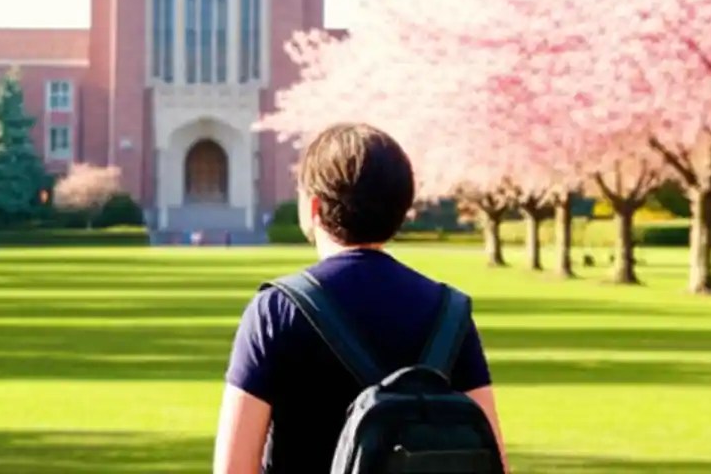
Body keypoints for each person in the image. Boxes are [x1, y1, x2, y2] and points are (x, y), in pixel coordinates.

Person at [213, 123, 508, 474]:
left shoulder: (277, 312)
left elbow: (233, 467)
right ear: (401, 209)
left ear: (315, 207)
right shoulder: (450, 311)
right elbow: (493, 462)